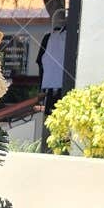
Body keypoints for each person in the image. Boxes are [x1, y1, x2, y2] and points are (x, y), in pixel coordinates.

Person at [37, 9, 68, 150]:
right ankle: (55, 147)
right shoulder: (49, 38)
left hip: (54, 88)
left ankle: (54, 147)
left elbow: (40, 61)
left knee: (55, 121)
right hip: (60, 88)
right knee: (55, 121)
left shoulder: (48, 38)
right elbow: (41, 62)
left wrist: (41, 88)